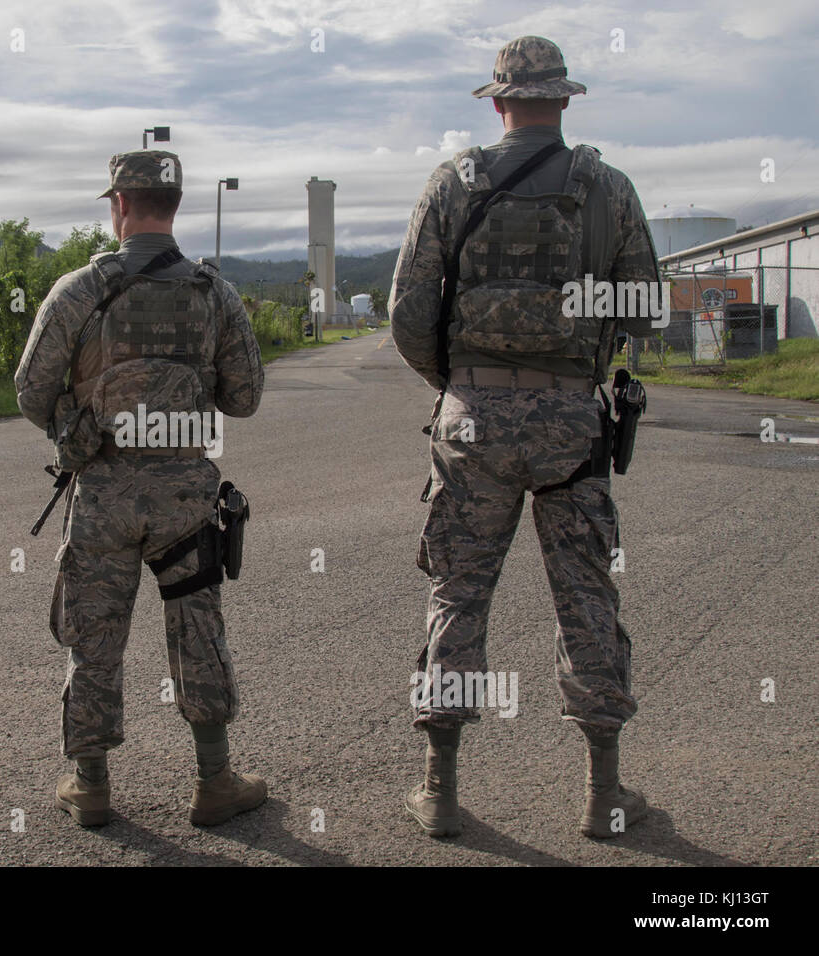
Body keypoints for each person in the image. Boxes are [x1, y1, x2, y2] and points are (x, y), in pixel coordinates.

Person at [389, 36, 662, 839]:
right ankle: (603, 796)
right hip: (573, 426)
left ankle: (439, 793)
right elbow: (647, 309)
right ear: (566, 101)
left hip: (471, 420)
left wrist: (461, 384)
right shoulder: (606, 186)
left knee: (457, 593)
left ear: (499, 102)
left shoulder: (453, 182)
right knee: (586, 597)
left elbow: (407, 312)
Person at [15, 149, 267, 827]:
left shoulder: (79, 290)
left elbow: (30, 389)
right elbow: (244, 398)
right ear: (176, 205)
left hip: (103, 494)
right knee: (198, 627)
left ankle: (90, 784)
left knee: (94, 634)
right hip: (185, 495)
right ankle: (215, 779)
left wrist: (76, 424)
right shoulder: (215, 294)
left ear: (119, 205)